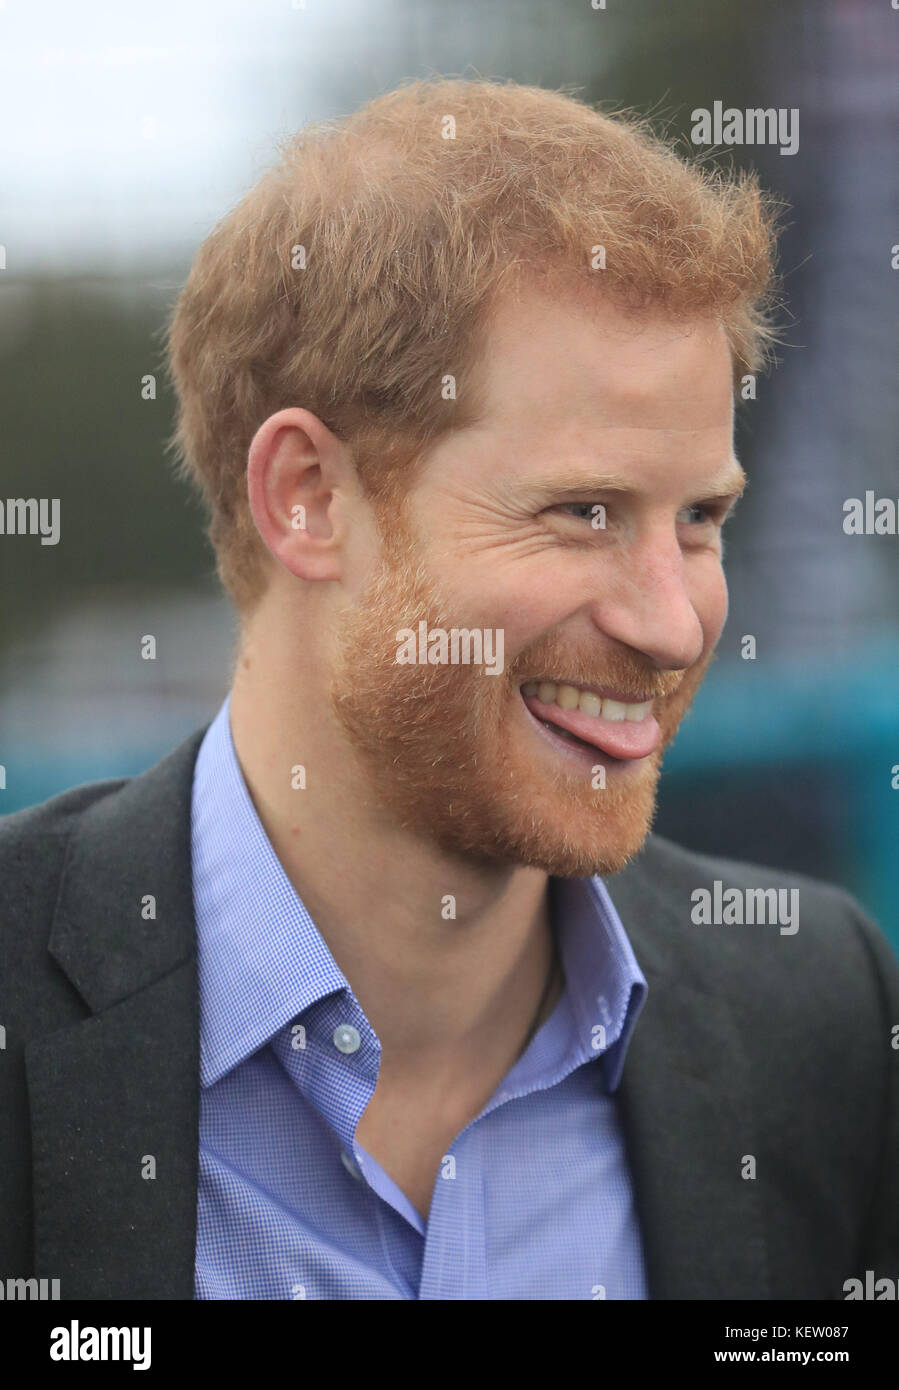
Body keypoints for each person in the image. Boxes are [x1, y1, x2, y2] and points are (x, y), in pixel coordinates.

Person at [2, 77, 896, 1301]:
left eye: (699, 517)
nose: (675, 620)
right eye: (581, 512)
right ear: (308, 497)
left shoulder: (819, 1017)